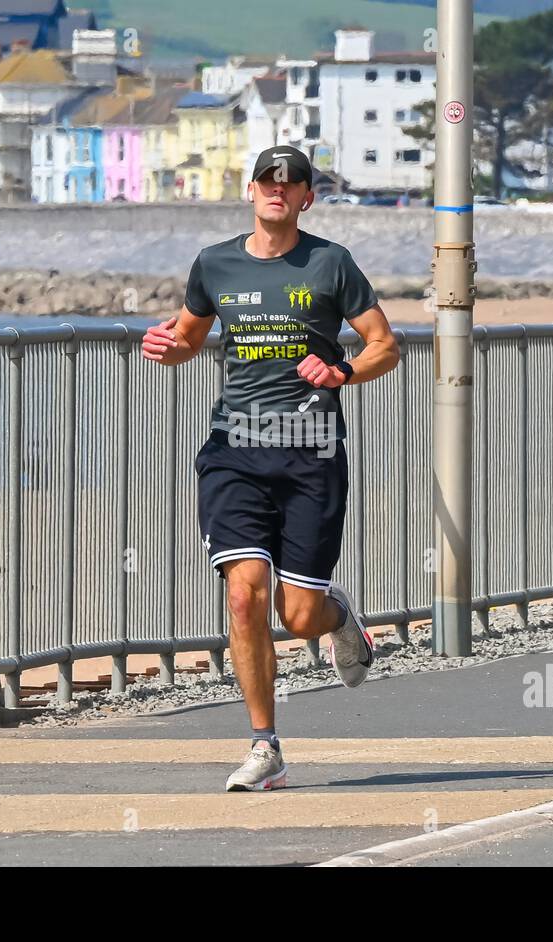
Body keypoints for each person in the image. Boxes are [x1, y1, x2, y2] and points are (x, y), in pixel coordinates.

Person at [141, 145, 400, 791]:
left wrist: (341, 370)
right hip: (235, 451)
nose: (277, 190)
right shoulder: (215, 263)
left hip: (311, 454)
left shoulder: (331, 263)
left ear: (308, 196)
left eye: (291, 182)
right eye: (267, 180)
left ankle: (337, 618)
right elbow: (190, 341)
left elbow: (385, 347)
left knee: (299, 617)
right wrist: (165, 347)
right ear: (251, 189)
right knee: (242, 593)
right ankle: (266, 747)